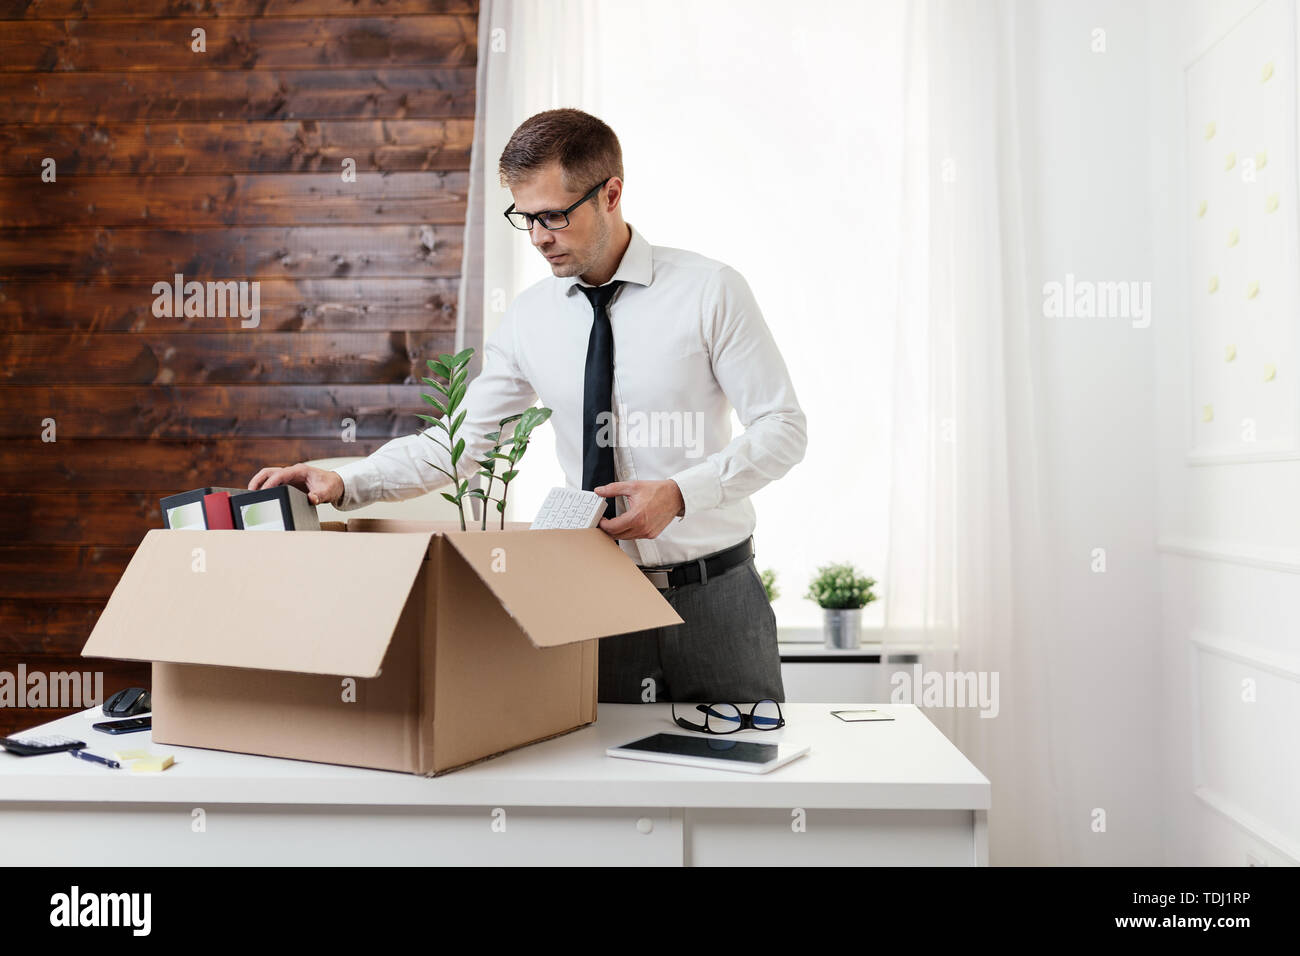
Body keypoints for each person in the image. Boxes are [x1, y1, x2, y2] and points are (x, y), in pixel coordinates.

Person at [248, 108, 807, 704]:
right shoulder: (530, 318)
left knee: (747, 785)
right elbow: (457, 446)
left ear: (611, 193)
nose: (539, 236)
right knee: (594, 785)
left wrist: (679, 493)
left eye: (553, 216)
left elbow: (782, 429)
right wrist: (343, 480)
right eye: (526, 218)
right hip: (593, 595)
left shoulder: (709, 291)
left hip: (716, 596)